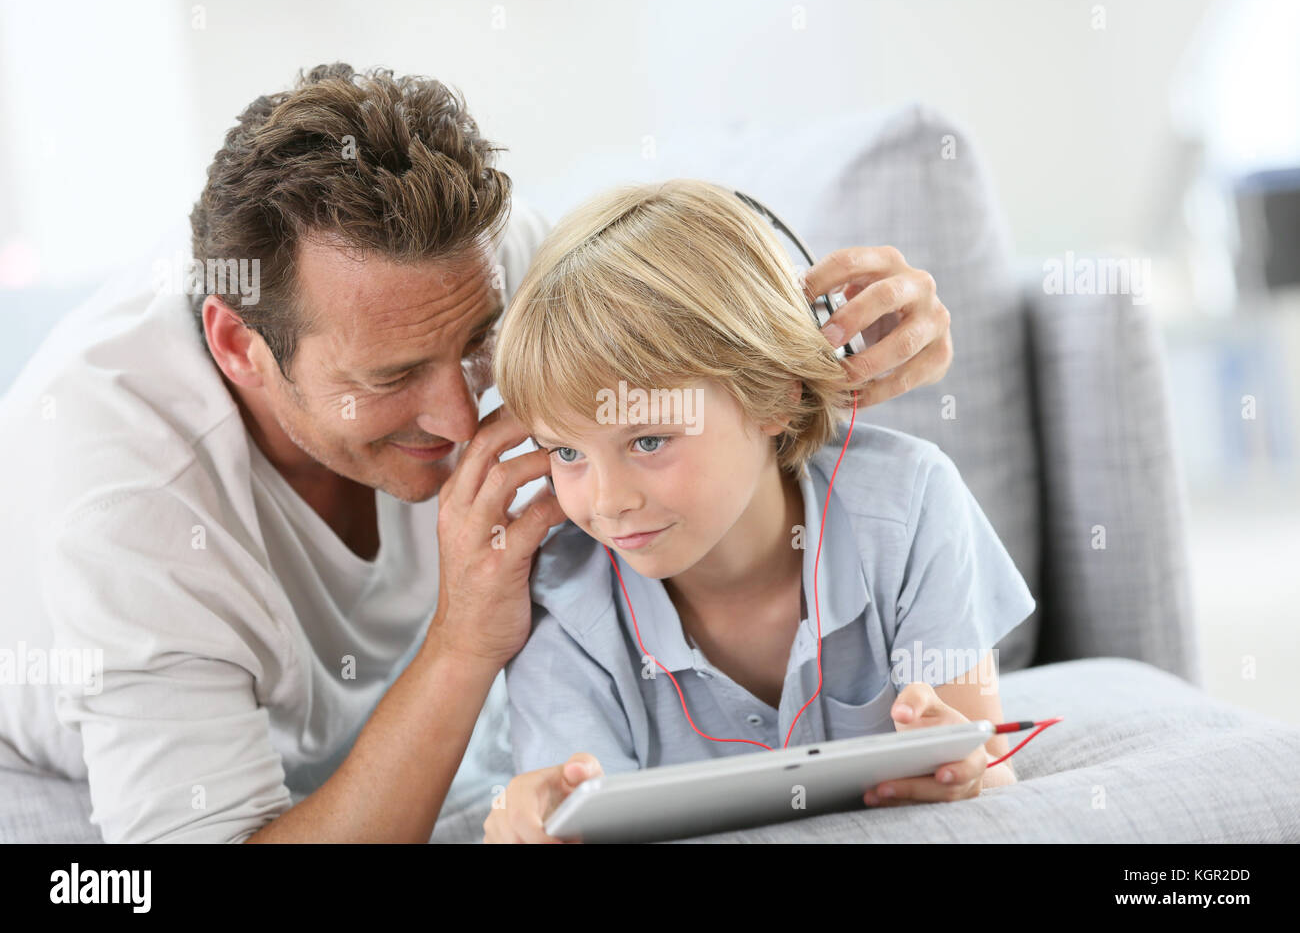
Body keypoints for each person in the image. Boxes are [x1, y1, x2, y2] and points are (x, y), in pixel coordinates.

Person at [0, 65, 954, 843]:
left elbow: (719, 335)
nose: (463, 418)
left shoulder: (494, 267)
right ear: (240, 346)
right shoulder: (124, 498)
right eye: (392, 377)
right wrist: (464, 640)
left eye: (477, 344)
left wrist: (860, 329)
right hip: (82, 784)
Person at [484, 179, 1032, 843]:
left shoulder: (909, 507)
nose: (606, 500)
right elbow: (578, 815)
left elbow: (987, 769)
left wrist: (965, 773)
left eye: (649, 440)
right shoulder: (564, 607)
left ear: (774, 395)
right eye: (566, 452)